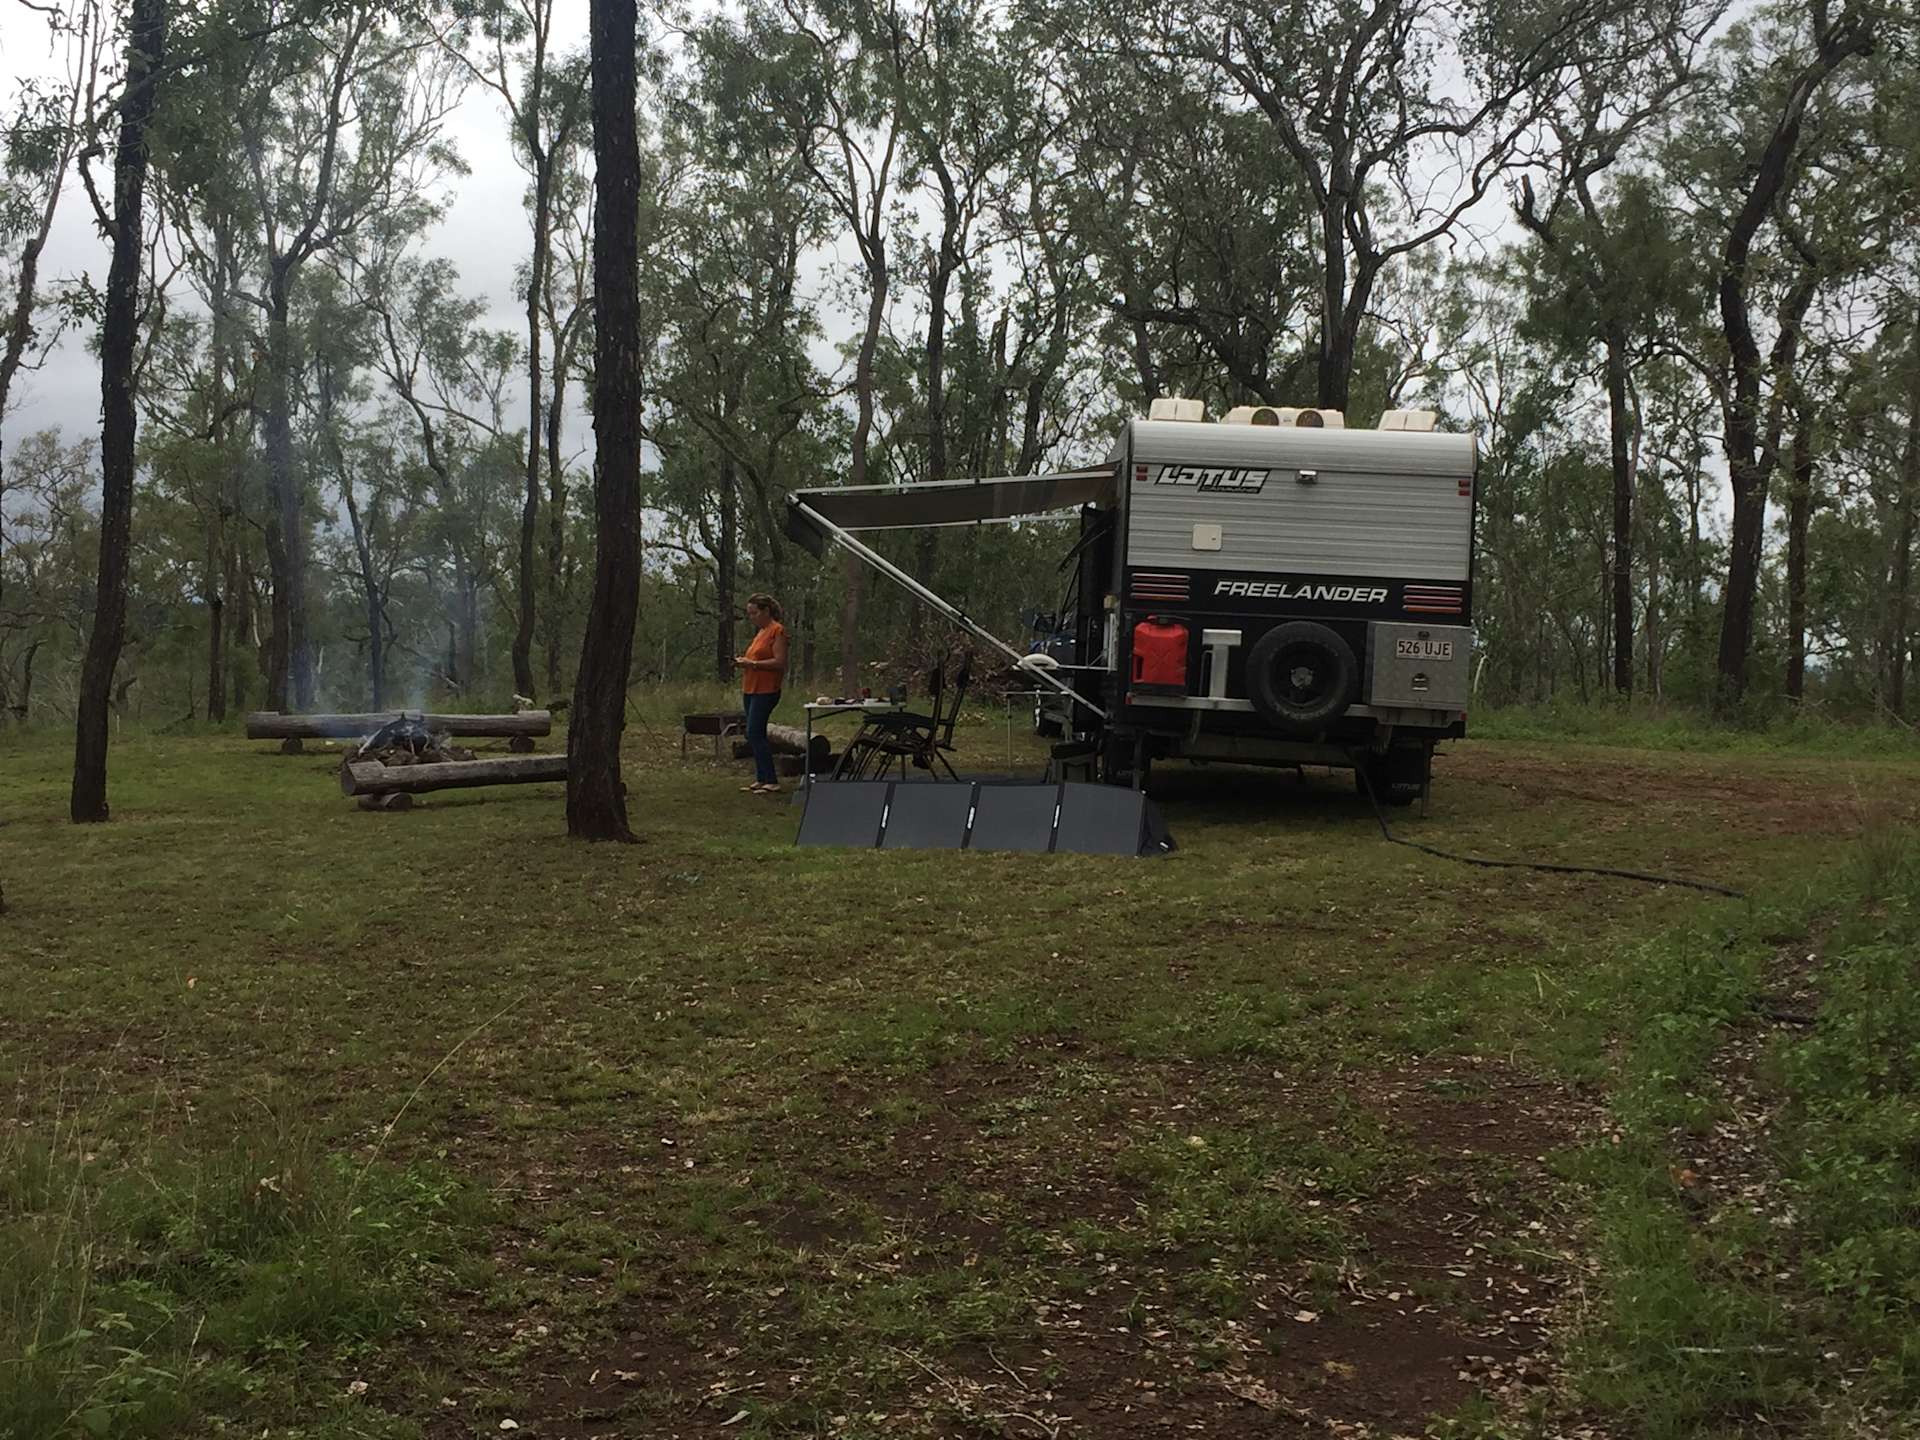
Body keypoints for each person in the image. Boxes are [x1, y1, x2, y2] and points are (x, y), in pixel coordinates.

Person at [734, 593, 789, 794]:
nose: (752, 617)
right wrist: (743, 663)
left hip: (766, 690)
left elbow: (779, 662)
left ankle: (772, 779)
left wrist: (753, 664)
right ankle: (761, 777)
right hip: (750, 688)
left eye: (755, 613)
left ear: (766, 611)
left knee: (755, 732)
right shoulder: (761, 632)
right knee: (752, 734)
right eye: (749, 614)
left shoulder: (777, 631)